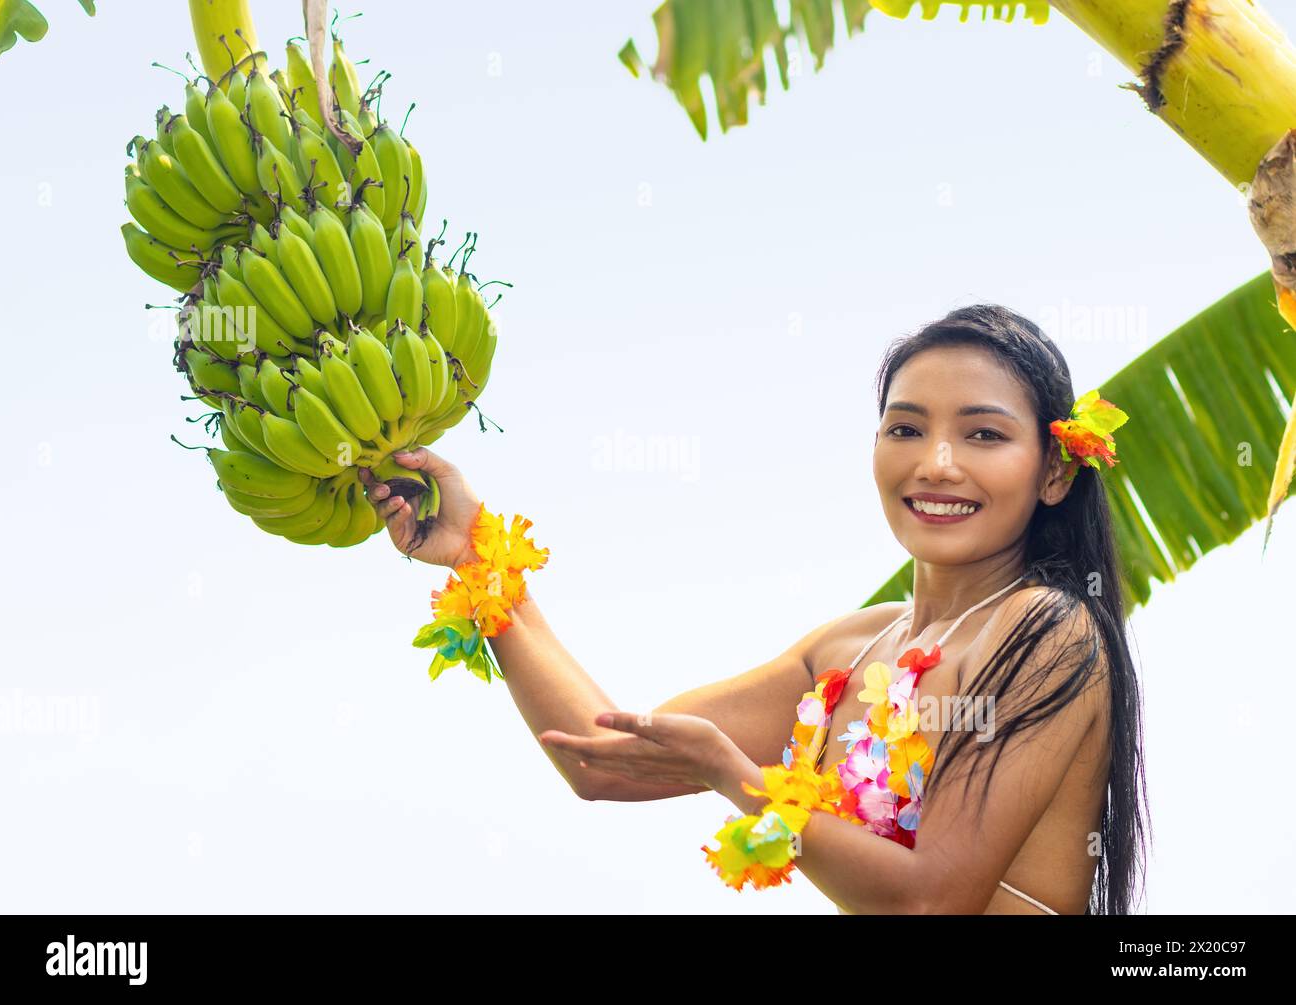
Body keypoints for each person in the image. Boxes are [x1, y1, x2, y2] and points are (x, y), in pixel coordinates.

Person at [358, 304, 1149, 915]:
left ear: (1052, 472)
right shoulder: (851, 648)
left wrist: (731, 773)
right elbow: (601, 760)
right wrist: (477, 558)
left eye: (982, 434)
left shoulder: (1049, 628)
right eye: (906, 428)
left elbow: (930, 898)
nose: (936, 464)